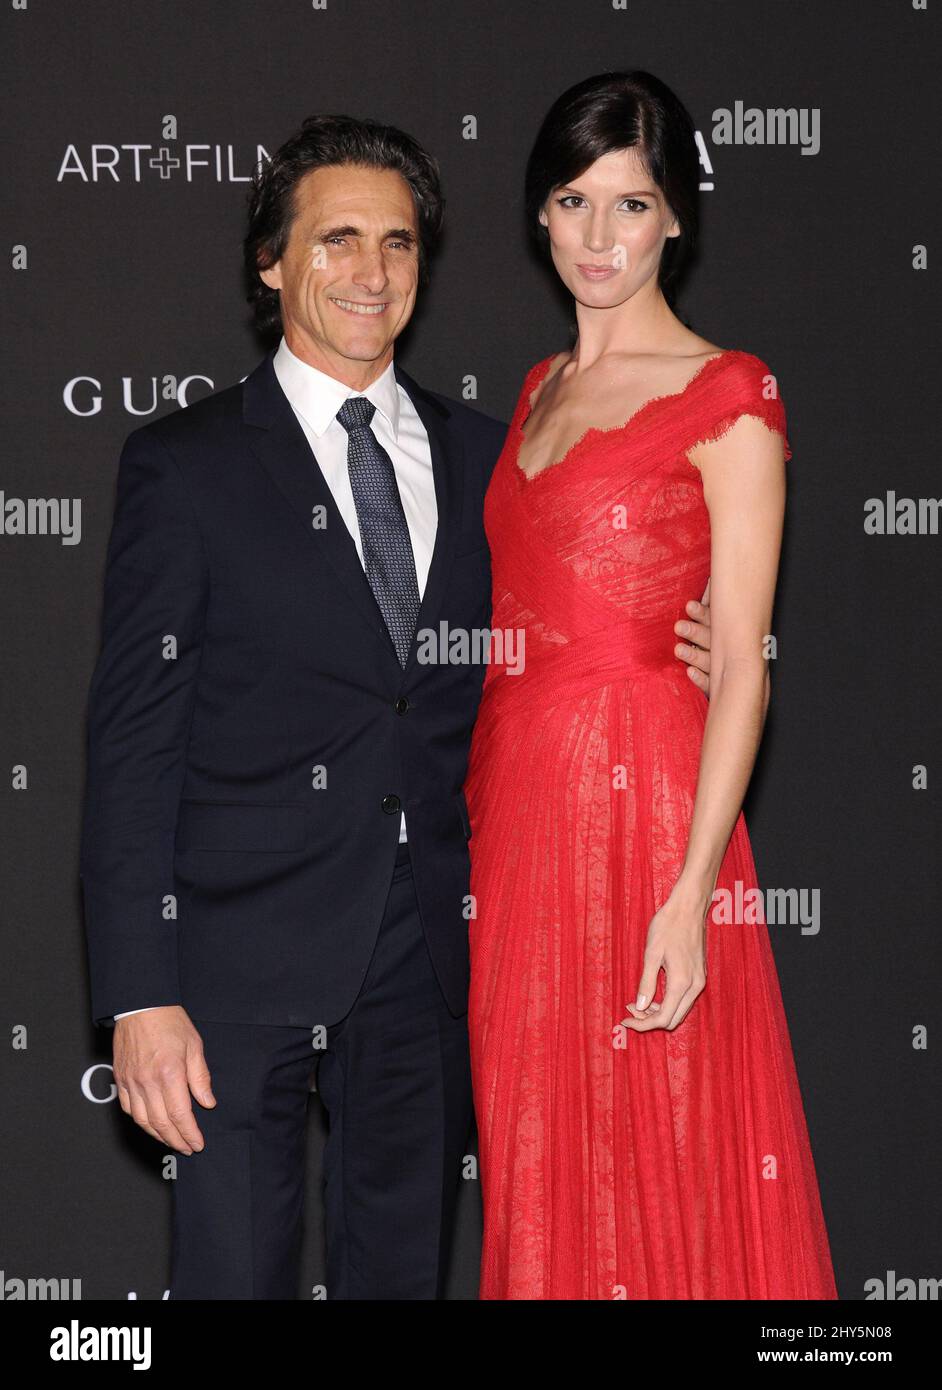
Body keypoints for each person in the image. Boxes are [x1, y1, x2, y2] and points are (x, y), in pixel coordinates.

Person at [79, 112, 714, 1301]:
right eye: (337, 241)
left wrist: (708, 653)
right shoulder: (187, 464)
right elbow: (131, 742)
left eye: (399, 242)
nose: (371, 272)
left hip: (431, 949)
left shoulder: (497, 459)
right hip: (234, 962)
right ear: (272, 264)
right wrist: (137, 992)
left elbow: (568, 642)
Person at [464, 71, 838, 1300]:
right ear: (540, 213)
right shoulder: (535, 391)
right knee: (537, 1146)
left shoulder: (732, 393)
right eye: (573, 201)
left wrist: (689, 897)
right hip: (520, 818)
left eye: (631, 206)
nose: (598, 238)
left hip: (651, 814)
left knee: (664, 1140)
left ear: (676, 214)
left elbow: (743, 668)